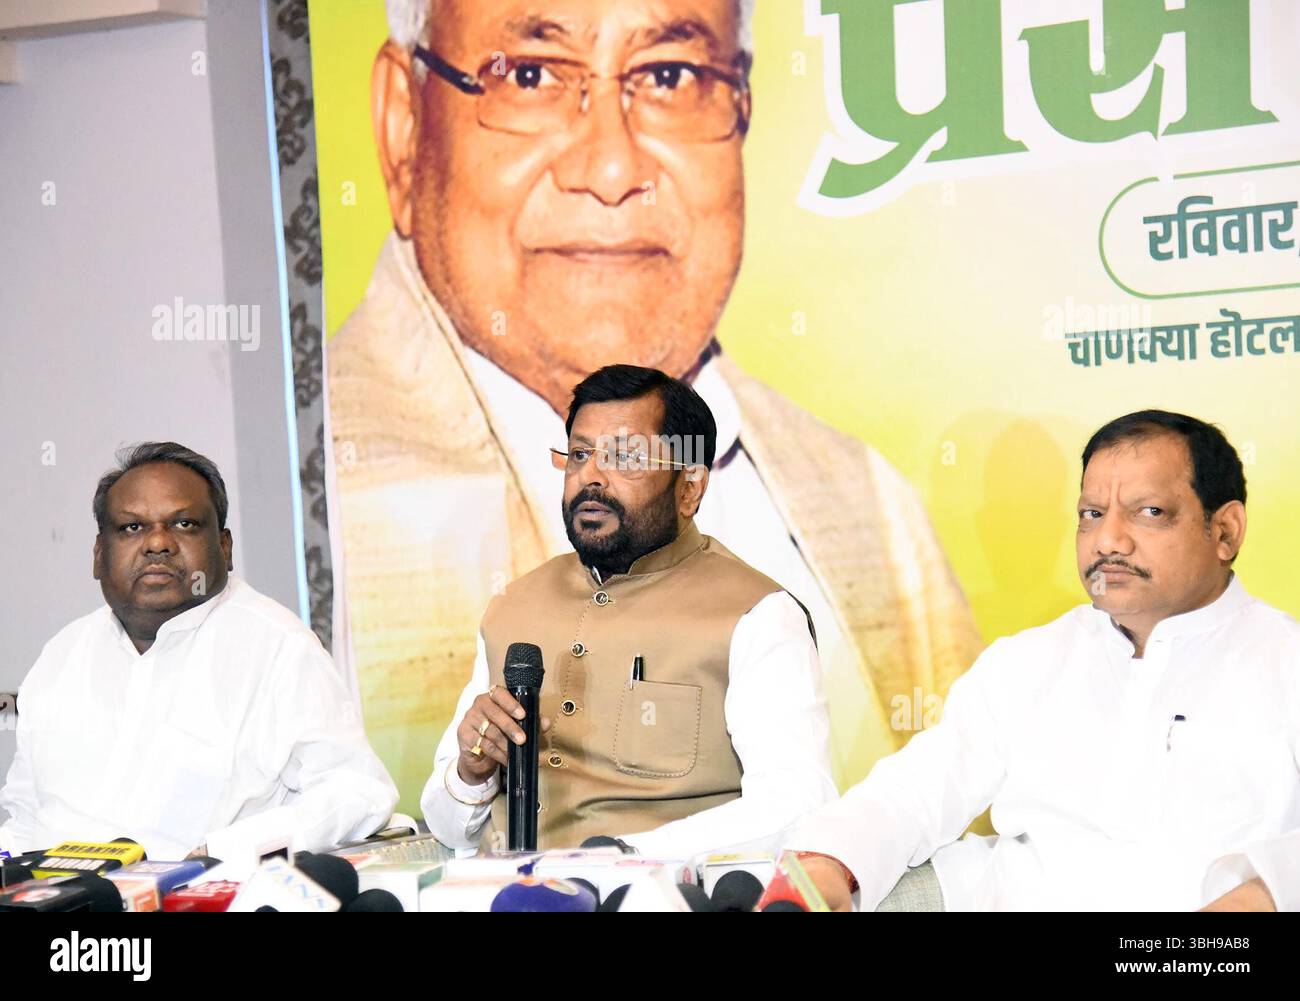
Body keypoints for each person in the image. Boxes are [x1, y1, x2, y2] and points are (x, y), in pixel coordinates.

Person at [327, 0, 981, 808]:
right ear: (401, 128)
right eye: (530, 75)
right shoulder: (317, 503)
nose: (609, 168)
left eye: (669, 75)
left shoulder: (870, 508)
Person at [792, 411, 1299, 911]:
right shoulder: (1029, 661)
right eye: (1092, 514)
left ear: (1226, 531)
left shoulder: (1285, 662)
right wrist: (830, 863)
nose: (1108, 541)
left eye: (1149, 512)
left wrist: (1267, 891)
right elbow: (920, 787)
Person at [420, 366, 836, 854]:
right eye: (579, 454)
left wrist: (627, 859)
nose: (591, 477)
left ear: (689, 487)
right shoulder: (513, 607)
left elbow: (796, 805)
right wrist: (471, 774)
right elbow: (448, 828)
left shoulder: (757, 616)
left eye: (625, 457)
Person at [0, 443, 398, 861]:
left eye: (184, 524)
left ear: (225, 548)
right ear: (99, 555)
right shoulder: (62, 655)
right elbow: (25, 815)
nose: (157, 543)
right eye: (132, 528)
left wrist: (224, 850)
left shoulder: (277, 647)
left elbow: (356, 789)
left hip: (199, 896)